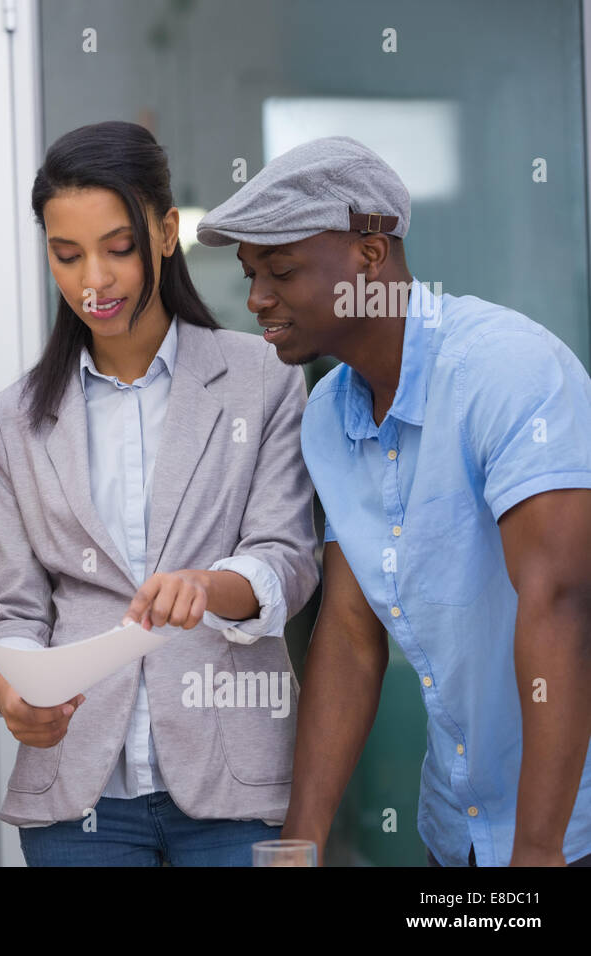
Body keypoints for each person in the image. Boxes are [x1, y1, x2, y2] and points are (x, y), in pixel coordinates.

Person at [197, 135, 591, 866]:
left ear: (369, 257)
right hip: (459, 829)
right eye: (252, 273)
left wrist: (536, 853)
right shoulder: (328, 415)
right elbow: (349, 632)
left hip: (568, 830)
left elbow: (562, 607)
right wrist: (302, 841)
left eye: (280, 270)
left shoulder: (507, 373)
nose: (255, 298)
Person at [0, 121, 319, 866]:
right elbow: (11, 608)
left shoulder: (264, 378)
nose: (93, 279)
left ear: (165, 233)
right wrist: (10, 685)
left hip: (233, 786)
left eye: (117, 247)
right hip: (80, 796)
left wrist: (212, 586)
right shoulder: (13, 419)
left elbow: (288, 557)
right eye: (67, 255)